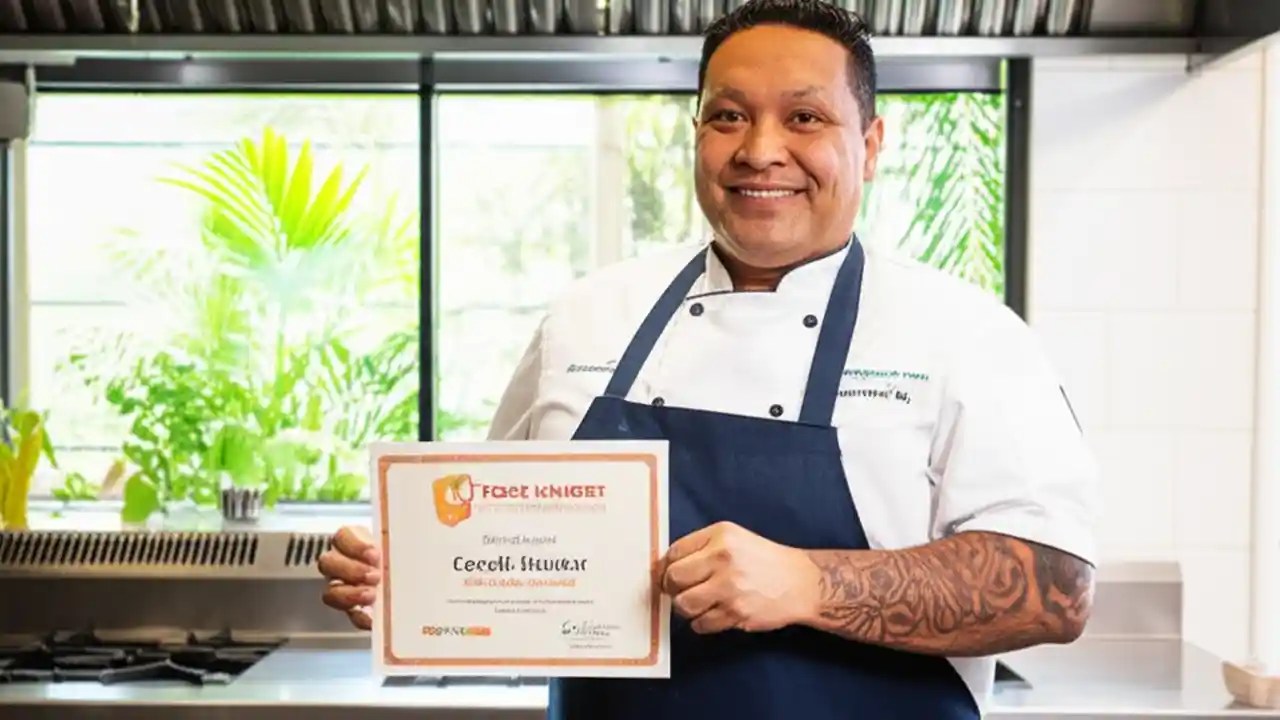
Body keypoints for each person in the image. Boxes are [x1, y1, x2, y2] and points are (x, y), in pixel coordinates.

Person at [318, 0, 1099, 717]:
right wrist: (408, 579)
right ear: (696, 133)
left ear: (869, 145)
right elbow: (500, 543)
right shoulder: (586, 319)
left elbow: (1056, 589)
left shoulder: (968, 335)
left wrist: (809, 584)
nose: (760, 151)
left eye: (804, 117)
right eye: (729, 116)